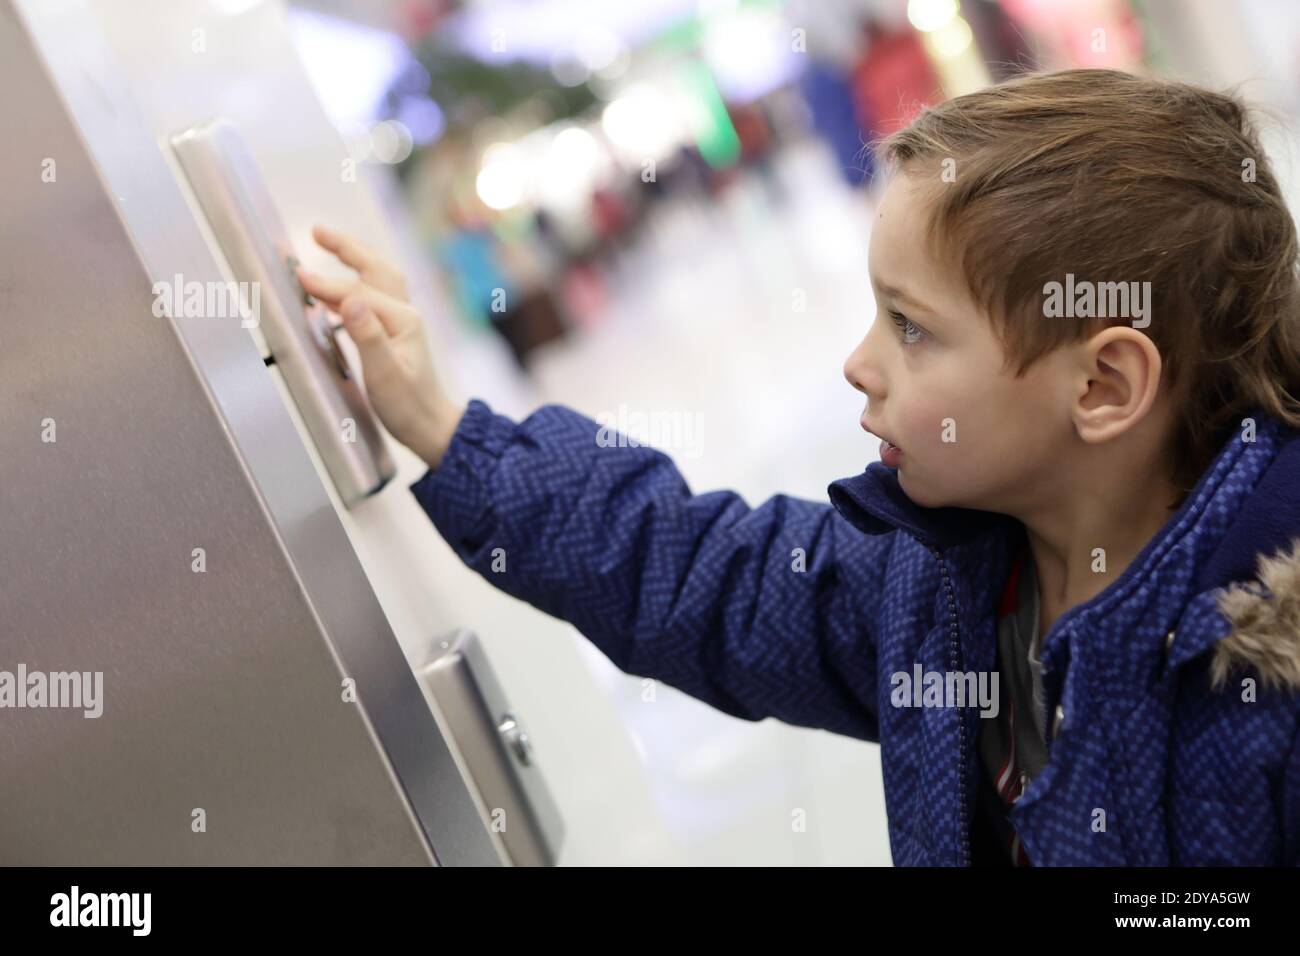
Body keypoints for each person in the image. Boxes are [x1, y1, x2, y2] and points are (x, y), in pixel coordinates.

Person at [296, 69, 1300, 866]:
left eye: (911, 327)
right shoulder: (943, 585)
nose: (858, 362)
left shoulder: (1269, 682)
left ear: (1103, 384)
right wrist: (439, 422)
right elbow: (700, 570)